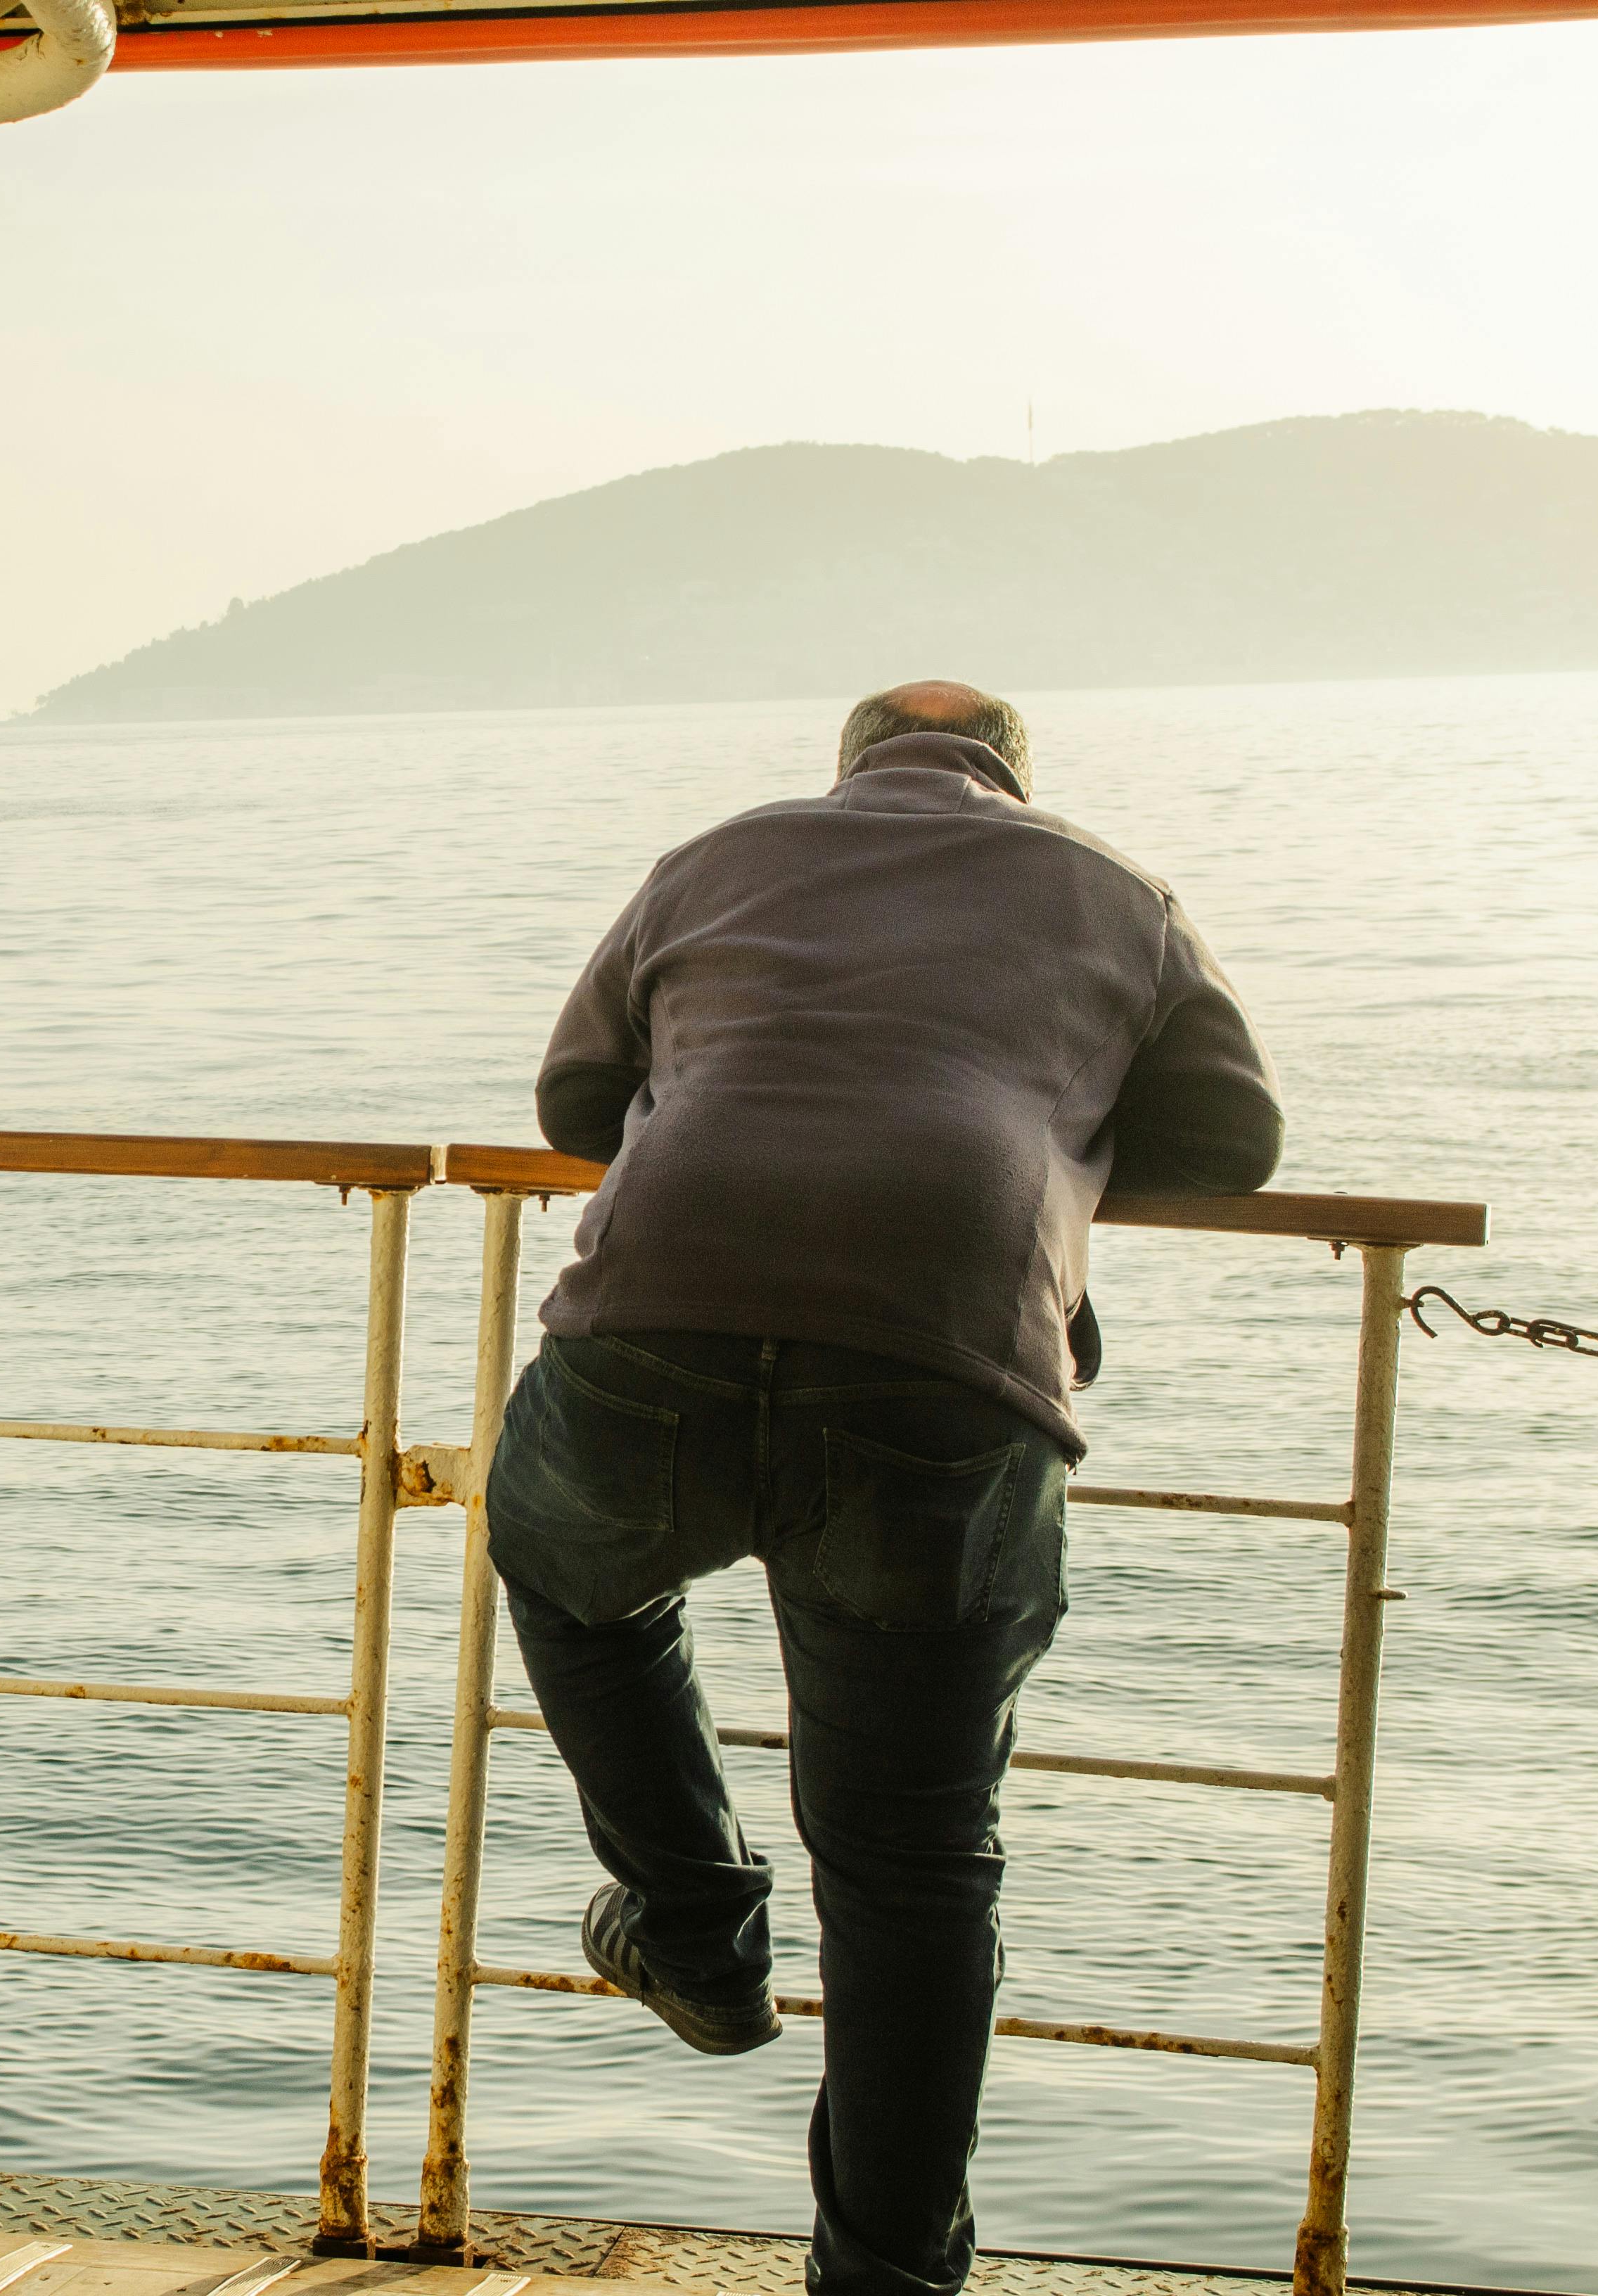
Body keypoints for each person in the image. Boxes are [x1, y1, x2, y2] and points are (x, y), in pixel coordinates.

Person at [484, 680, 1281, 2296]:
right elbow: (1239, 1139)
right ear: (1012, 777)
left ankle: (697, 1932)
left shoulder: (716, 861)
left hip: (656, 1326)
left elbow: (575, 1107)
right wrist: (1056, 1150)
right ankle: (886, 2281)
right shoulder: (1115, 893)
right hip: (940, 1365)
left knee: (570, 1567)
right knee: (912, 1865)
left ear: (845, 774)